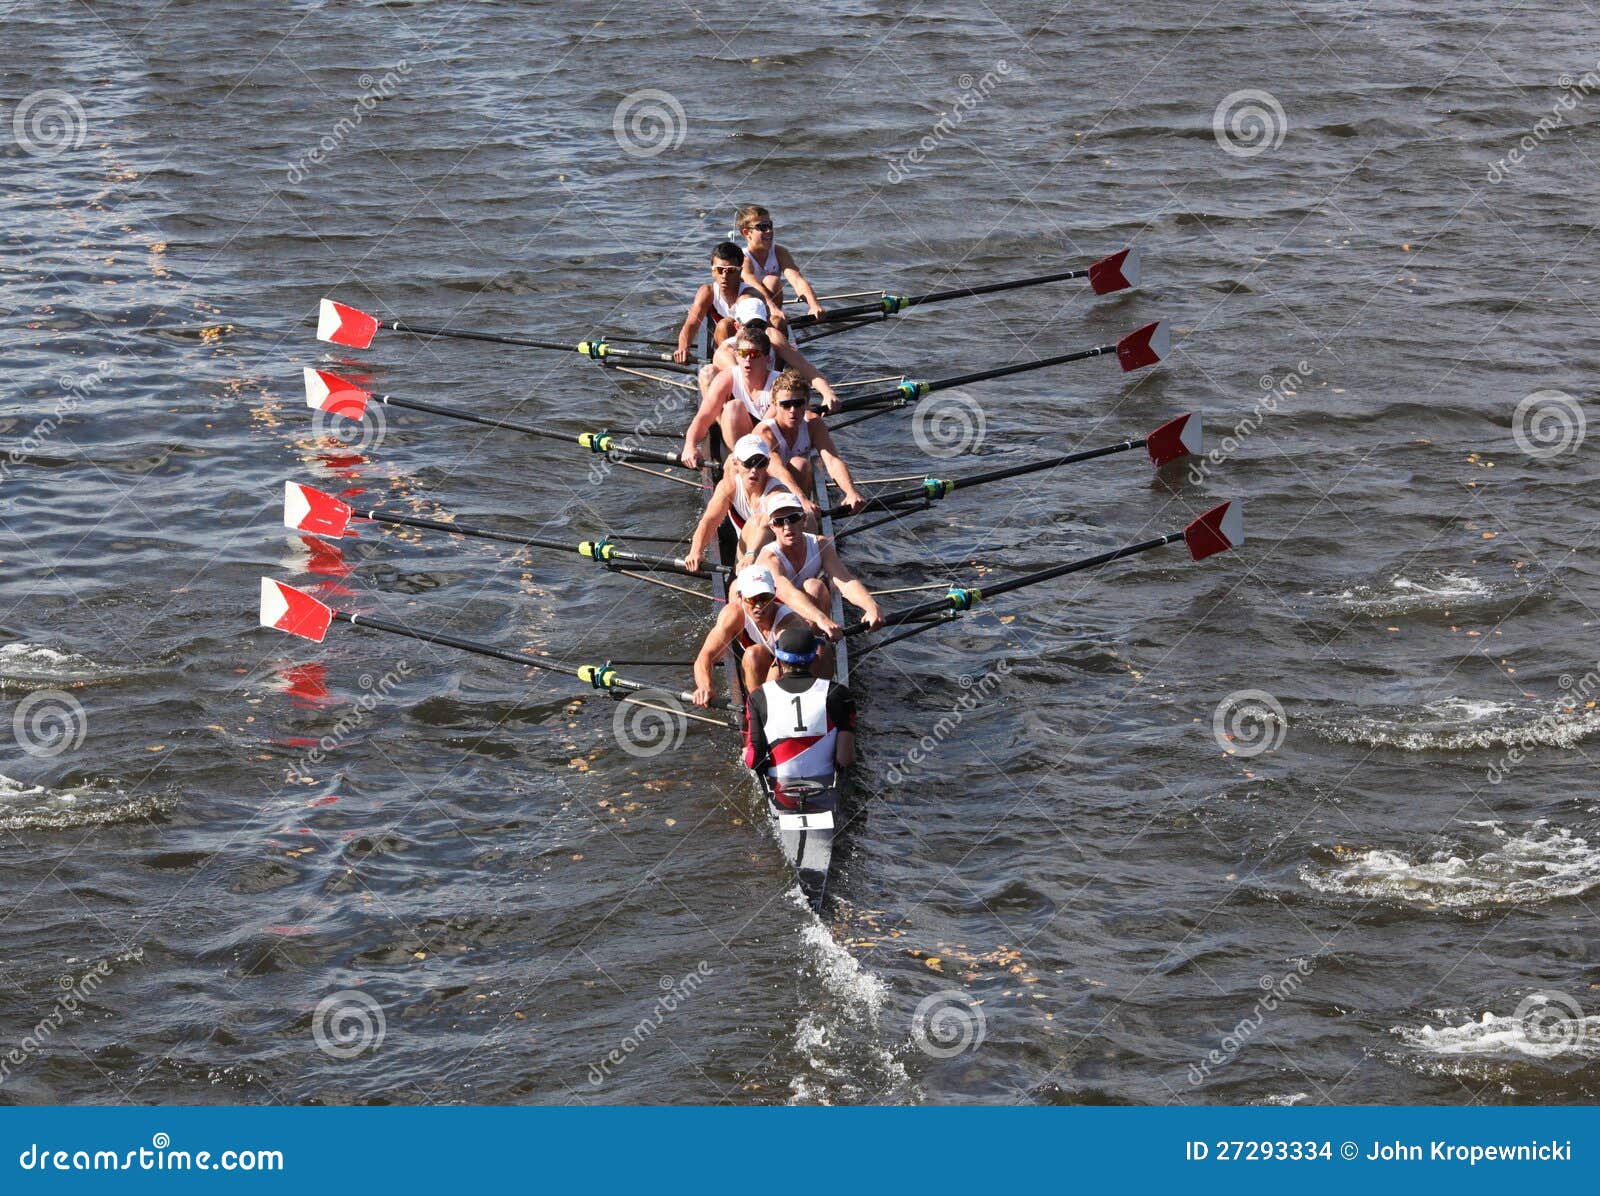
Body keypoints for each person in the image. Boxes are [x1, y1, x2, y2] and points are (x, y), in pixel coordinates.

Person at [680, 325, 840, 468]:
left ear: (767, 358)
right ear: (736, 355)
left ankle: (752, 466)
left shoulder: (780, 385)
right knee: (733, 407)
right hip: (744, 440)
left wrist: (827, 393)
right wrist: (690, 445)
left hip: (772, 445)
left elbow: (771, 426)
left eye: (754, 354)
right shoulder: (727, 377)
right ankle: (742, 463)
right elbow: (703, 417)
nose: (747, 359)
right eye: (743, 353)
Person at [742, 627, 856, 805]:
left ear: (778, 661)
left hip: (781, 790)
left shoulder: (758, 696)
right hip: (825, 786)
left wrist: (745, 754)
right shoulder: (838, 693)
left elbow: (754, 760)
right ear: (815, 659)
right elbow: (846, 759)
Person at [684, 434, 814, 574]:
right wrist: (696, 552)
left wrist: (752, 554)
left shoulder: (776, 494)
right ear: (736, 463)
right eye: (748, 463)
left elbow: (765, 525)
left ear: (768, 464)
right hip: (747, 550)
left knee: (758, 520)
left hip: (777, 554)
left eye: (760, 463)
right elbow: (709, 521)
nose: (754, 470)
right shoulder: (728, 487)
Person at [752, 371, 866, 513]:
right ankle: (800, 512)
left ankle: (801, 515)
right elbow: (777, 470)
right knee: (800, 464)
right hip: (765, 490)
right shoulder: (765, 432)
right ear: (774, 404)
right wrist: (802, 499)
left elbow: (832, 460)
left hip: (798, 485)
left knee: (800, 465)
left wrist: (851, 492)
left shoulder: (813, 424)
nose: (792, 410)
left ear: (806, 403)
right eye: (786, 405)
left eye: (798, 403)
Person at [693, 566, 805, 707]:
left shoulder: (789, 623)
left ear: (774, 594)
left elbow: (786, 670)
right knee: (753, 654)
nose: (759, 606)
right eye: (752, 599)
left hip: (792, 672)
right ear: (740, 597)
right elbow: (706, 656)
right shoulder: (734, 614)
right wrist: (705, 686)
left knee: (755, 654)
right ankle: (756, 708)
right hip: (762, 666)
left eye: (765, 598)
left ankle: (759, 709)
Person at [674, 242, 782, 364]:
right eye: (719, 270)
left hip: (752, 344)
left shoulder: (749, 295)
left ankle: (776, 369)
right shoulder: (707, 292)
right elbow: (691, 324)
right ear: (713, 271)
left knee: (777, 322)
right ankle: (726, 365)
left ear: (740, 271)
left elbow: (756, 335)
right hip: (725, 340)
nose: (724, 276)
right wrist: (683, 348)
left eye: (730, 270)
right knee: (725, 325)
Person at [735, 205, 825, 321]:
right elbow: (754, 286)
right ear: (747, 233)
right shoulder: (743, 258)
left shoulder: (780, 252)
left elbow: (797, 280)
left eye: (770, 225)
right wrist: (773, 308)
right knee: (770, 281)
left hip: (771, 307)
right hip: (748, 309)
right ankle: (772, 319)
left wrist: (814, 305)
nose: (769, 231)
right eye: (762, 227)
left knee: (772, 281)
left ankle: (775, 321)